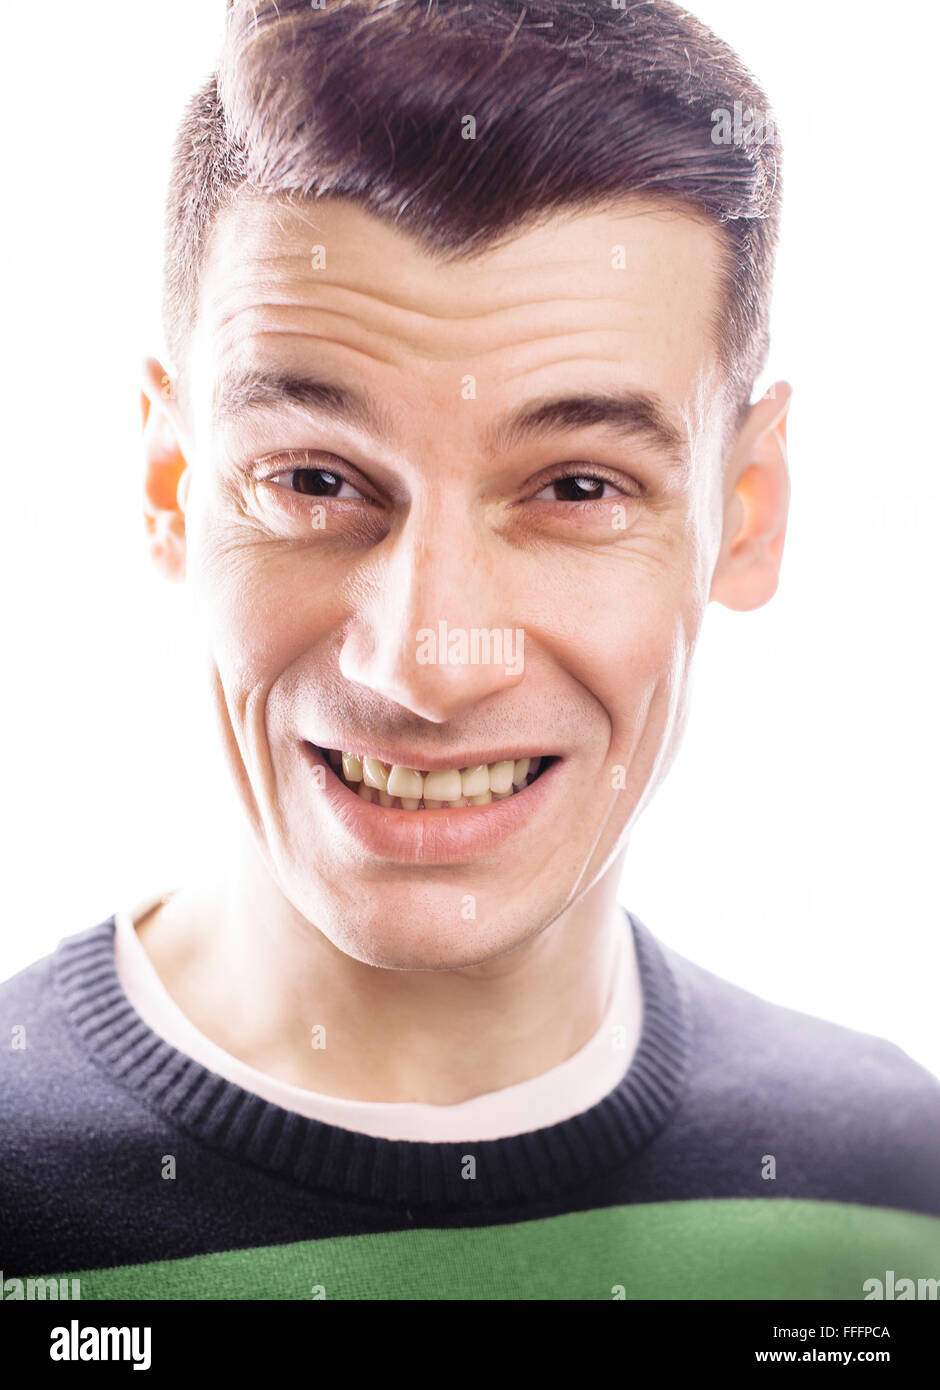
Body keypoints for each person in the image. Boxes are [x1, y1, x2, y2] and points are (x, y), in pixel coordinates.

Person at [1, 0, 937, 1301]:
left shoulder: (892, 1204)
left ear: (748, 513)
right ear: (173, 488)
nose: (426, 665)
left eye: (577, 488)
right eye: (315, 478)